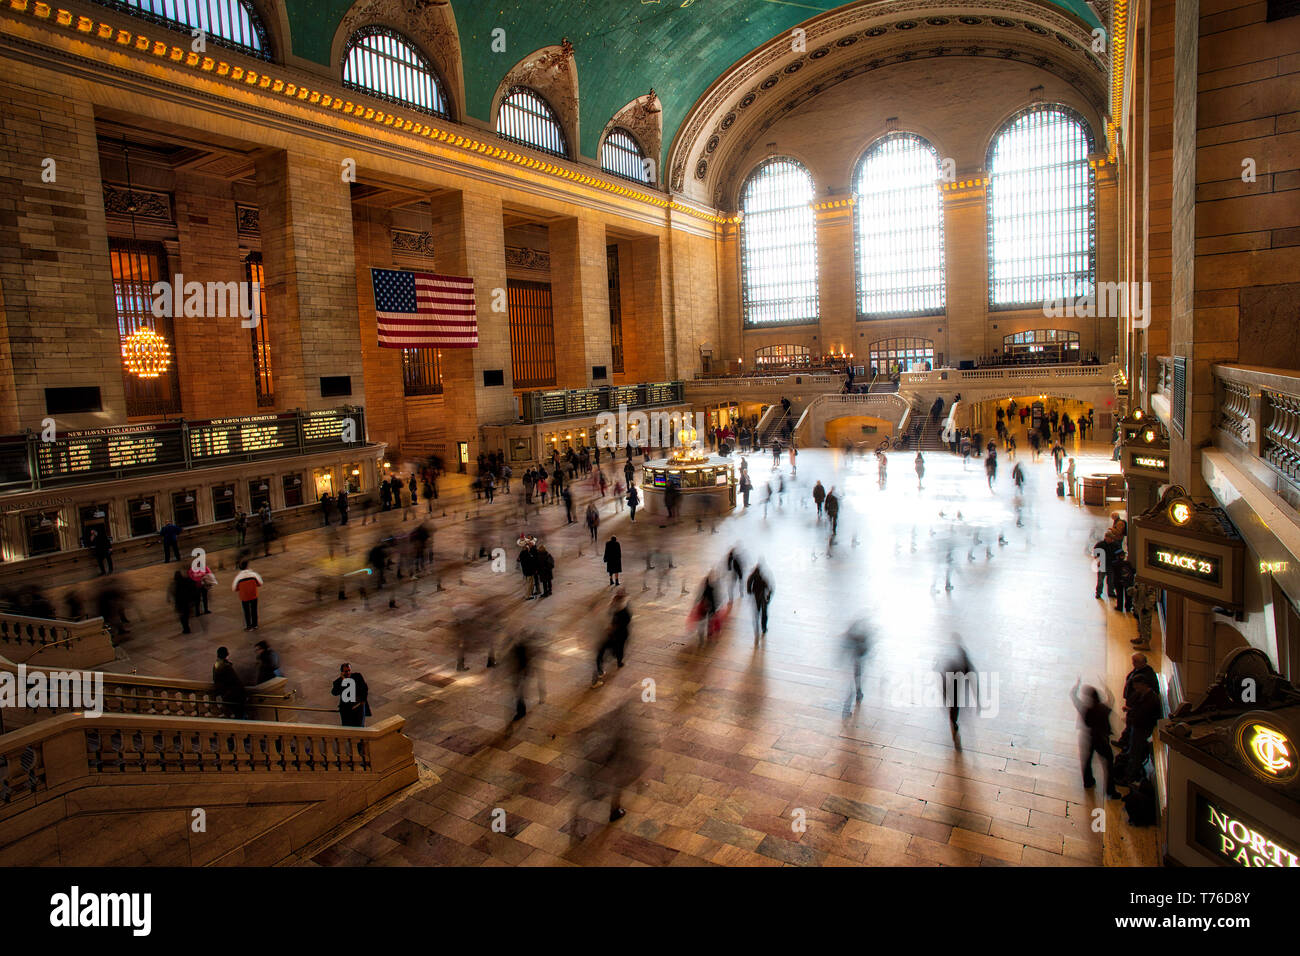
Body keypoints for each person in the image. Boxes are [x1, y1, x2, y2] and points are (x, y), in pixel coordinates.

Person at [1071, 679, 1121, 798]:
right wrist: (1106, 688)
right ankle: (1110, 790)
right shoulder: (1103, 708)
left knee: (1087, 761)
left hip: (1088, 737)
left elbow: (1073, 697)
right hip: (1102, 739)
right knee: (1108, 763)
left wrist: (1076, 686)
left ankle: (1088, 782)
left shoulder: (1085, 709)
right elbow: (1112, 700)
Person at [939, 642, 976, 751]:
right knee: (955, 705)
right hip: (955, 686)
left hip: (951, 685)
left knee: (953, 706)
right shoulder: (963, 662)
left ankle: (953, 722)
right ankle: (954, 722)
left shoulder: (951, 661)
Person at [592, 589, 632, 687]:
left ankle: (607, 665)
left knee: (606, 651)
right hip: (618, 633)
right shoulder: (624, 608)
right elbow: (627, 619)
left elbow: (609, 617)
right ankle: (617, 661)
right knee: (617, 648)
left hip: (612, 634)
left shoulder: (612, 606)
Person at [331, 662, 371, 727]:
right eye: (346, 671)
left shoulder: (357, 676)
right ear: (342, 672)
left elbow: (364, 688)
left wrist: (362, 701)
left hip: (358, 708)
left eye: (349, 670)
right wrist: (343, 681)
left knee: (360, 728)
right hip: (346, 710)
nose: (348, 672)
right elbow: (334, 692)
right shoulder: (338, 682)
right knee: (347, 728)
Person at [212, 646, 246, 718]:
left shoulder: (216, 665)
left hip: (225, 696)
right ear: (227, 655)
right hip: (233, 696)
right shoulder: (226, 667)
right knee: (239, 714)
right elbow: (236, 682)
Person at [231, 560, 263, 631]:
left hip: (244, 596)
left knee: (246, 611)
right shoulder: (253, 574)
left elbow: (234, 588)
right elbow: (260, 583)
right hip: (253, 595)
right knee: (254, 610)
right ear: (247, 566)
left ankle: (248, 626)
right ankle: (255, 625)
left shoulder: (238, 577)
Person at [745, 563, 772, 644]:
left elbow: (749, 582)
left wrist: (749, 591)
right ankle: (763, 627)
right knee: (764, 613)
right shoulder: (762, 577)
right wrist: (768, 597)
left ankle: (757, 632)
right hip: (762, 597)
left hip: (756, 596)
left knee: (756, 614)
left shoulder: (753, 576)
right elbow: (769, 588)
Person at [169, 569, 199, 634]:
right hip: (187, 602)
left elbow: (176, 594)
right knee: (185, 615)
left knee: (183, 617)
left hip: (182, 603)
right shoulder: (186, 581)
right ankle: (186, 628)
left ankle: (186, 628)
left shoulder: (177, 584)